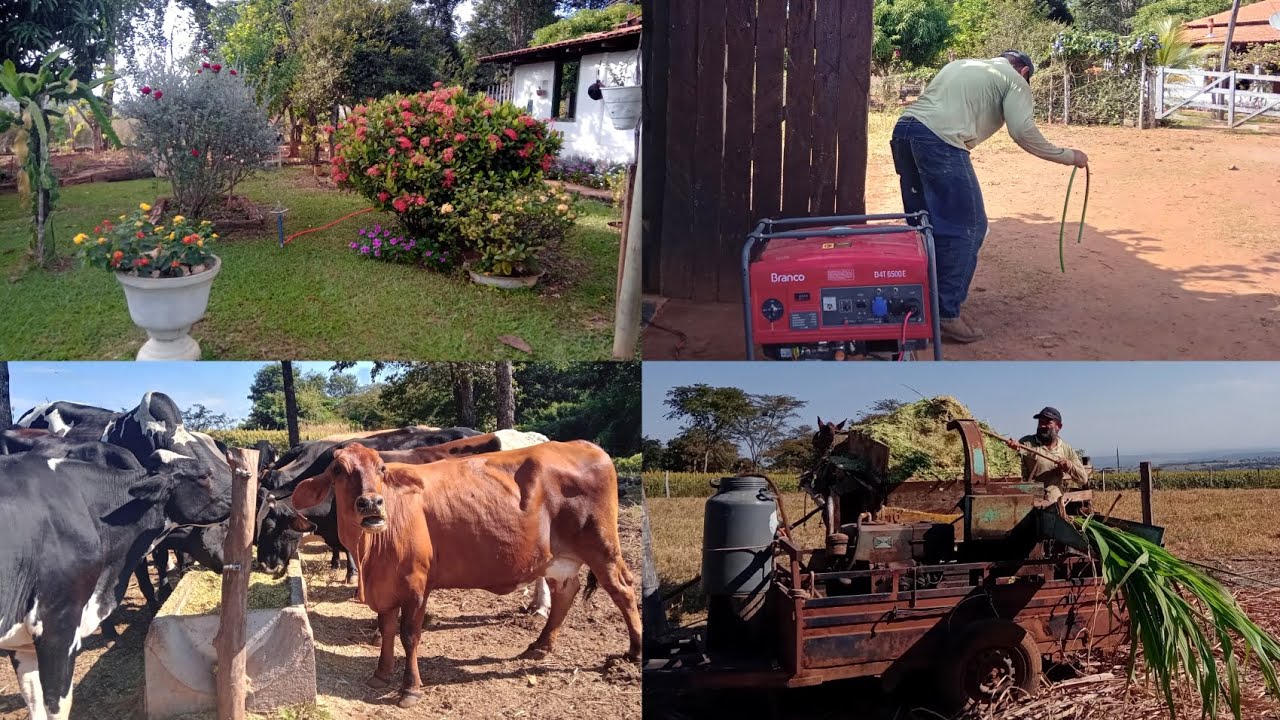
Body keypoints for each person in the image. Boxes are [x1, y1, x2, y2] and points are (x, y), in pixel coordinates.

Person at [891, 51, 1090, 344]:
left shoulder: (961, 65)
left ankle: (917, 305)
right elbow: (1022, 131)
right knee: (968, 228)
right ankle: (944, 313)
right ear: (1024, 71)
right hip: (940, 141)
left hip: (904, 131)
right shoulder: (1014, 81)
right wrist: (1069, 156)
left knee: (923, 224)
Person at [1005, 406, 1089, 503]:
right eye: (1040, 422)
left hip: (1055, 502)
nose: (1042, 426)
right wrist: (1012, 448)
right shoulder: (1026, 443)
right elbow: (1011, 463)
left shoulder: (1066, 449)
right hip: (1031, 501)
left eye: (1047, 422)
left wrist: (1069, 466)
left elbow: (1083, 479)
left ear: (1059, 426)